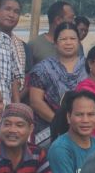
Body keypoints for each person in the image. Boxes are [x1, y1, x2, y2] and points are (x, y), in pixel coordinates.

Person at [26, 21, 86, 149]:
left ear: (79, 42)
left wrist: (80, 123)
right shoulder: (43, 69)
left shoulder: (89, 67)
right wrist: (61, 123)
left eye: (72, 38)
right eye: (63, 39)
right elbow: (36, 101)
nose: (68, 42)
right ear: (55, 43)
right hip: (50, 128)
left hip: (87, 126)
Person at [26, 0, 75, 71]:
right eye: (71, 18)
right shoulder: (34, 45)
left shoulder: (75, 44)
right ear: (58, 20)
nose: (73, 23)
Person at [0, 0, 28, 80]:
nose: (11, 15)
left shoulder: (23, 47)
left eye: (16, 12)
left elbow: (27, 80)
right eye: (7, 9)